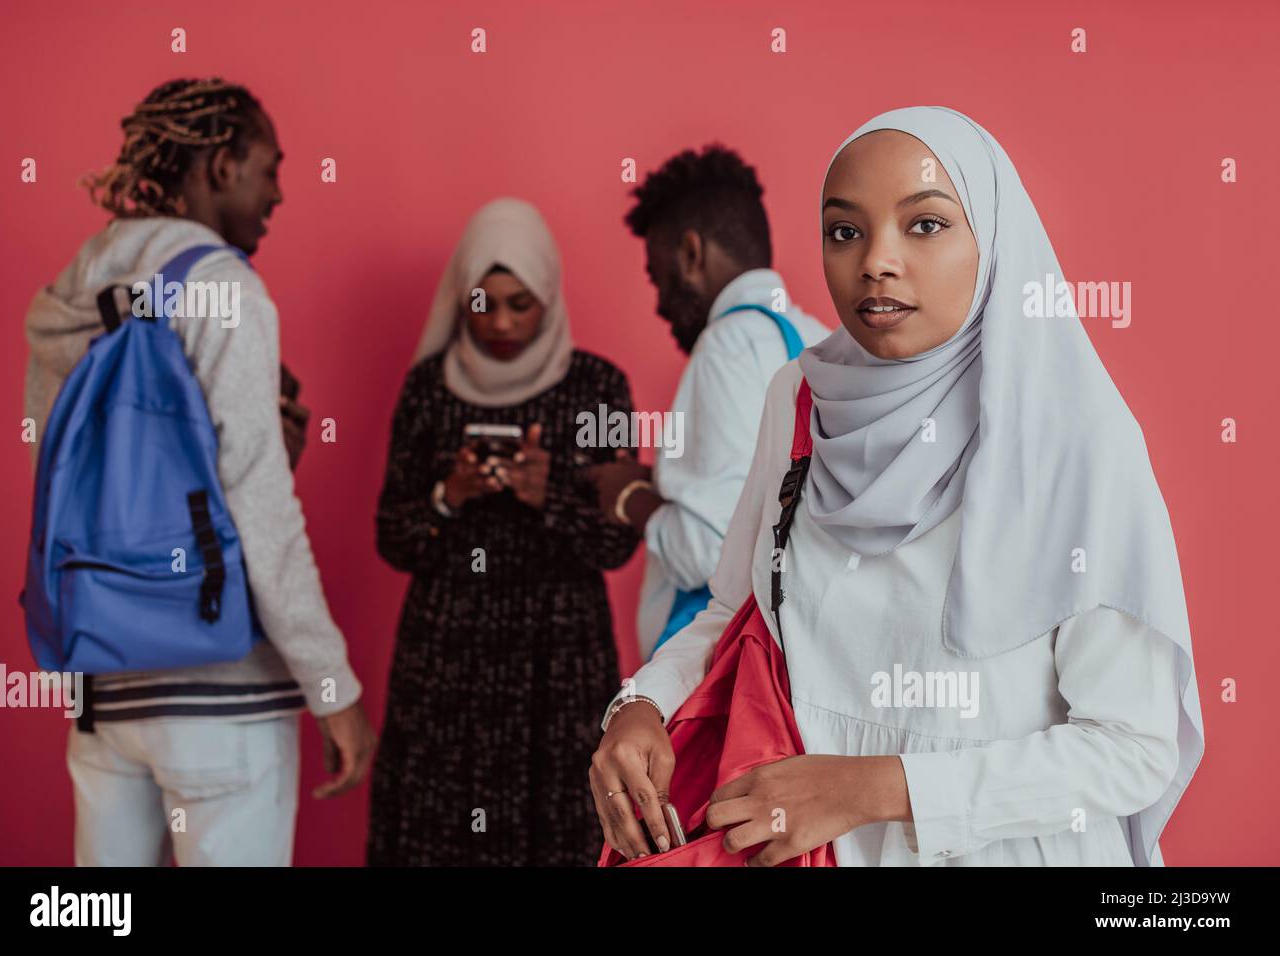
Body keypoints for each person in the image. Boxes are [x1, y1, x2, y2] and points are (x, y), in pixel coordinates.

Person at [590, 106, 1204, 867]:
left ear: (993, 241)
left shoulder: (1073, 439)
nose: (876, 261)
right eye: (845, 231)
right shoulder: (800, 397)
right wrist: (641, 704)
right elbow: (736, 607)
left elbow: (1130, 747)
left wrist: (875, 788)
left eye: (926, 226)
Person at [23, 78, 376, 866]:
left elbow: (80, 478)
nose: (280, 192)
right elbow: (258, 504)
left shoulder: (74, 290)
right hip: (221, 697)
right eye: (269, 167)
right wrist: (333, 688)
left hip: (104, 693)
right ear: (222, 164)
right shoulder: (223, 289)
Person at [367, 197, 639, 866]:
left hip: (559, 660)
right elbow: (392, 539)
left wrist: (551, 495)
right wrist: (447, 494)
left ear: (549, 292)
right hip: (446, 663)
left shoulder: (598, 387)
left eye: (524, 302)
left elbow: (620, 540)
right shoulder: (430, 389)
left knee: (562, 833)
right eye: (486, 304)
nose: (506, 323)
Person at [586, 146, 828, 663]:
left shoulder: (724, 347)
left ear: (691, 254)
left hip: (715, 670)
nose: (658, 302)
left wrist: (631, 498)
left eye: (658, 277)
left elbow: (711, 551)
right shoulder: (822, 341)